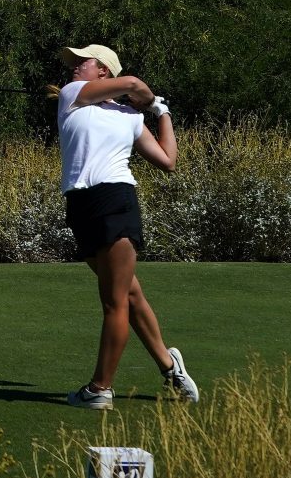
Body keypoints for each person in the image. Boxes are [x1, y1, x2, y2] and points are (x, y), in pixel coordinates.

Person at [55, 43, 199, 409]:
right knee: (129, 295)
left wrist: (161, 113)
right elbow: (134, 85)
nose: (74, 67)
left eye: (82, 61)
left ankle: (99, 389)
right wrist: (148, 101)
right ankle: (170, 367)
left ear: (103, 70)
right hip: (81, 206)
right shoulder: (73, 95)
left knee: (114, 300)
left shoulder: (129, 117)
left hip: (116, 199)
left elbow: (167, 160)